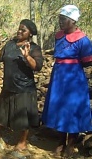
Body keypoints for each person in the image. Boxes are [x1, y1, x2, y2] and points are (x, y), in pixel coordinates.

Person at [42, 4, 92, 157]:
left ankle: (70, 144)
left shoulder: (83, 40)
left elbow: (88, 62)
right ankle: (60, 142)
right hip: (58, 78)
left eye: (63, 19)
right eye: (59, 18)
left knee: (72, 109)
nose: (60, 21)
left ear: (72, 20)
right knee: (59, 109)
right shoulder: (58, 36)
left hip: (74, 79)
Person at [0, 19, 44, 152]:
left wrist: (27, 57)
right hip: (8, 85)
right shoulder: (10, 44)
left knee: (23, 116)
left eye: (23, 30)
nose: (19, 31)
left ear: (30, 33)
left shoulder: (34, 48)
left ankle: (22, 141)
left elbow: (37, 66)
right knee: (2, 111)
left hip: (24, 88)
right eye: (19, 28)